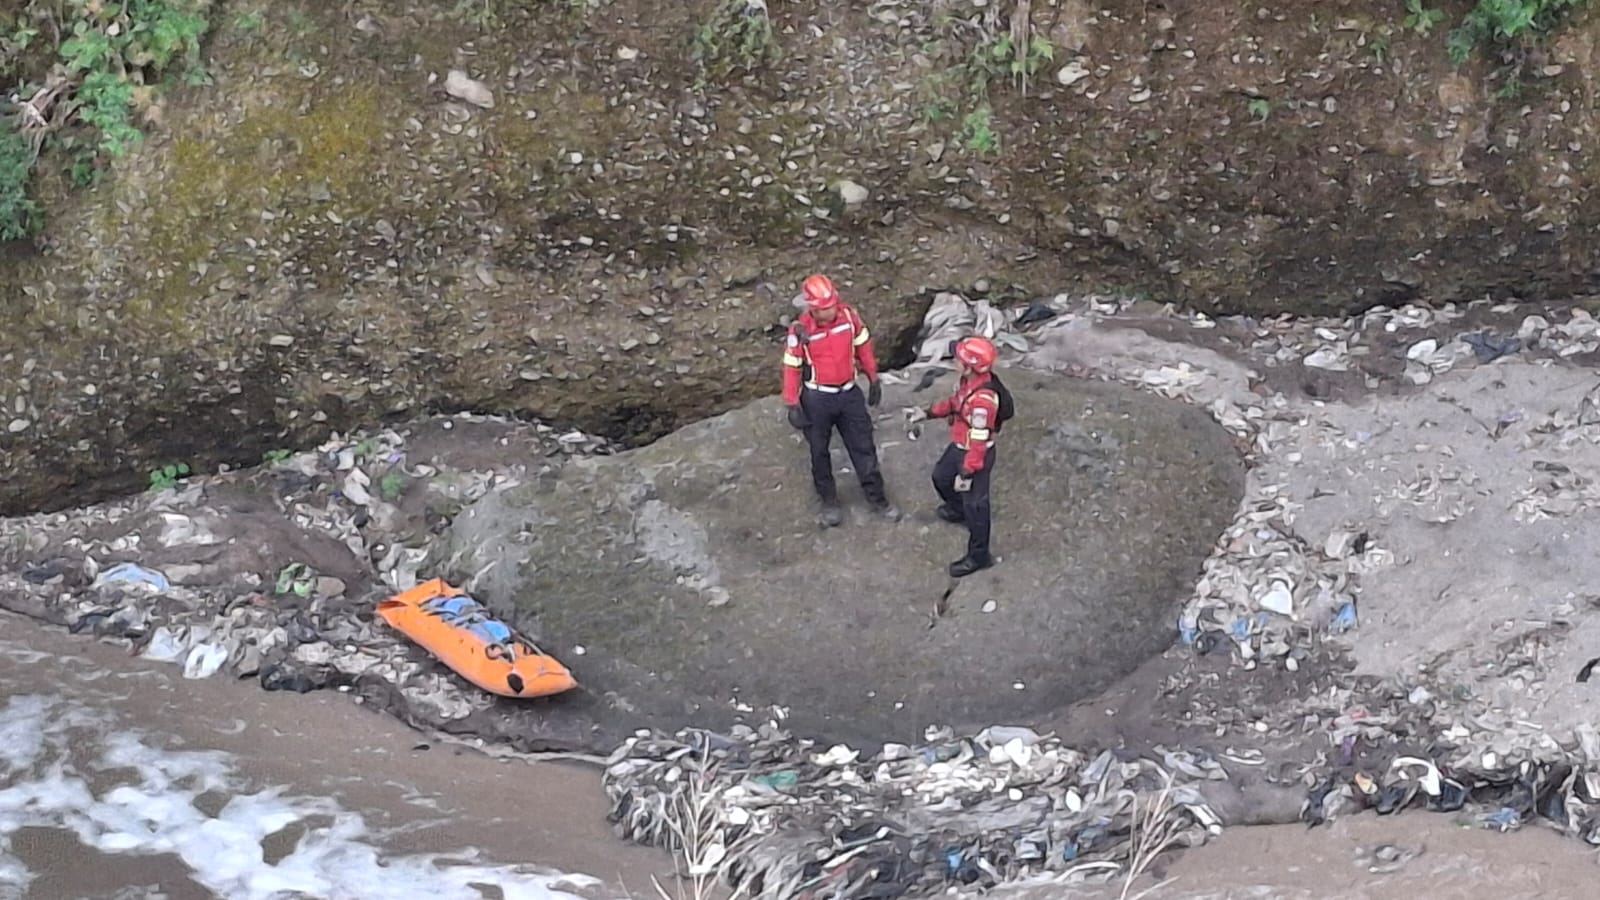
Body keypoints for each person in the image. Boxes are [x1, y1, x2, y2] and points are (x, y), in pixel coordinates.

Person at [782, 274, 901, 527]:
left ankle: (878, 499)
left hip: (848, 394)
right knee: (819, 452)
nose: (831, 311)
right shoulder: (800, 331)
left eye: (832, 305)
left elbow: (863, 346)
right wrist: (792, 402)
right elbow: (792, 366)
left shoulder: (849, 317)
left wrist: (873, 376)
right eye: (825, 308)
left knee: (864, 447)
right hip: (817, 398)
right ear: (813, 308)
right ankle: (829, 502)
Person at [907, 335, 1002, 577]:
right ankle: (958, 510)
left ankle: (979, 555)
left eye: (959, 358)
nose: (955, 361)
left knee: (976, 505)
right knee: (941, 477)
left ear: (970, 366)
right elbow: (954, 404)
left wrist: (969, 469)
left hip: (973, 454)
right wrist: (928, 413)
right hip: (960, 445)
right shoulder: (967, 384)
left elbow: (980, 439)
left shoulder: (983, 402)